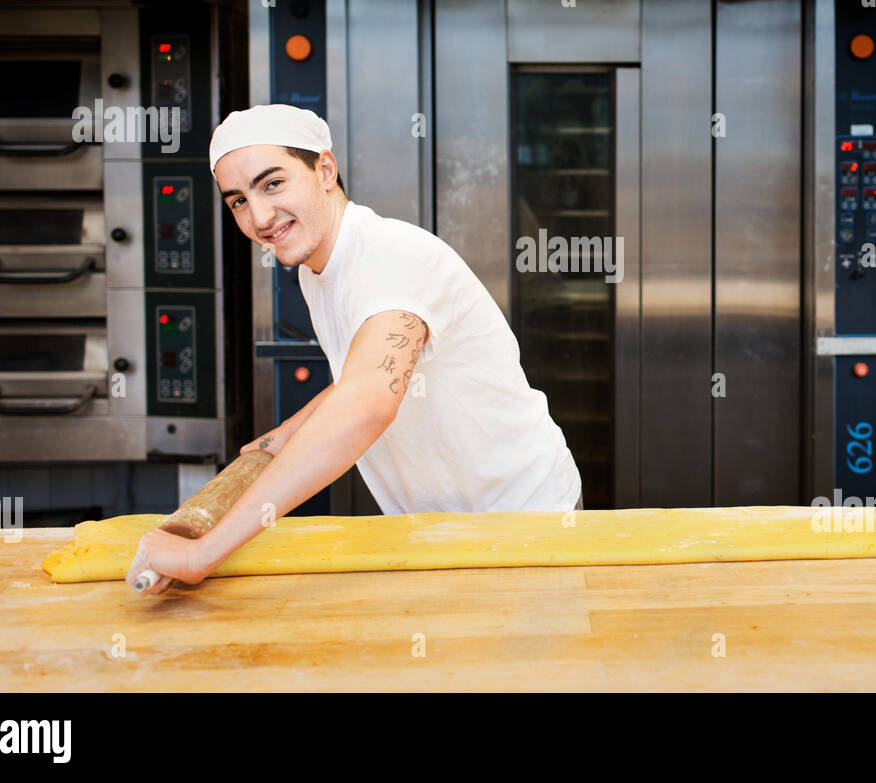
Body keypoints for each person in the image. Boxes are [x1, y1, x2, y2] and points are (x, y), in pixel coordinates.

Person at [126, 104, 582, 594]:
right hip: (447, 537)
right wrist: (284, 436)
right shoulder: (317, 269)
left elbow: (367, 405)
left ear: (324, 170)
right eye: (238, 200)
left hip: (526, 525)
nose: (259, 216)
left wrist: (202, 553)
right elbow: (364, 376)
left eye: (272, 184)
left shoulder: (391, 258)